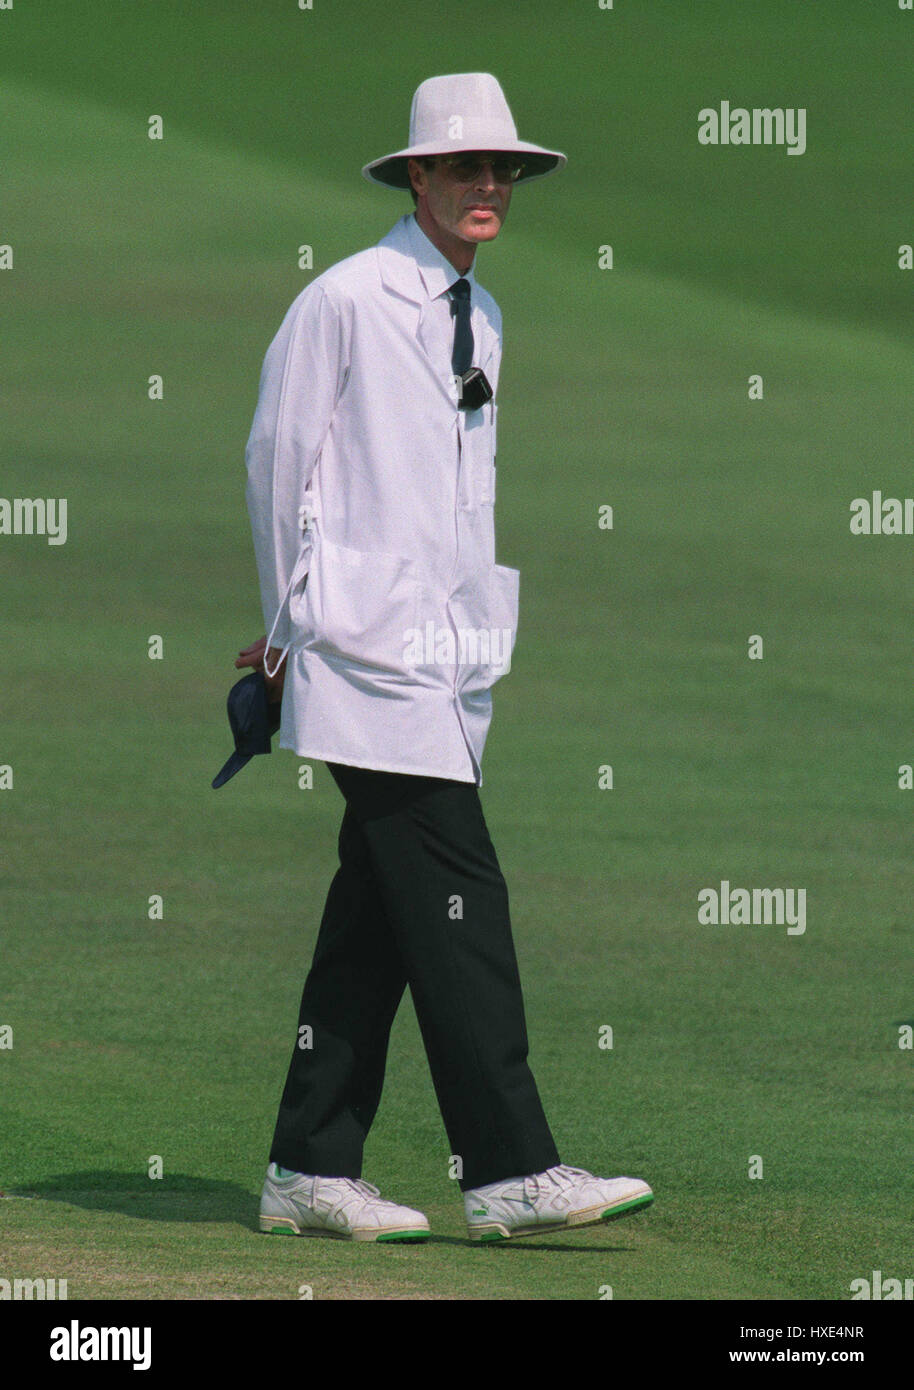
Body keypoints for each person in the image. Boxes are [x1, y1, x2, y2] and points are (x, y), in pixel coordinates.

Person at [236, 72, 653, 1243]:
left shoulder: (485, 315)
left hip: (444, 664)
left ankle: (306, 1168)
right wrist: (283, 628)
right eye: (463, 168)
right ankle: (510, 1171)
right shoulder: (345, 299)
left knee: (376, 913)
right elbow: (278, 459)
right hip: (358, 656)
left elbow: (462, 506)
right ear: (414, 177)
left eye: (500, 171)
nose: (486, 187)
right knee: (462, 897)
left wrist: (473, 646)